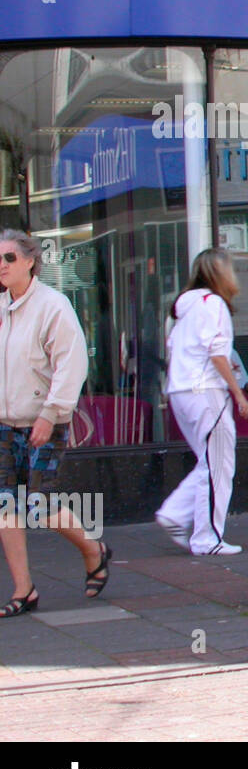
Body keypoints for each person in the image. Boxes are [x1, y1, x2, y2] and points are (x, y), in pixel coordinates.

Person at [0, 230, 108, 618]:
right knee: (4, 507)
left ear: (30, 261)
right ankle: (23, 589)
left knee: (39, 504)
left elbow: (72, 363)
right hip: (3, 422)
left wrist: (50, 413)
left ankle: (92, 549)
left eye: (9, 257)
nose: (2, 265)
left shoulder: (53, 305)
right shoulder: (1, 307)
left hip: (42, 419)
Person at [155, 249, 248, 555]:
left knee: (208, 462)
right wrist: (237, 392)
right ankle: (206, 538)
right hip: (206, 391)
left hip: (181, 391)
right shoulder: (214, 304)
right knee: (219, 465)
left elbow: (183, 350)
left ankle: (175, 514)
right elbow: (216, 352)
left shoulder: (184, 308)